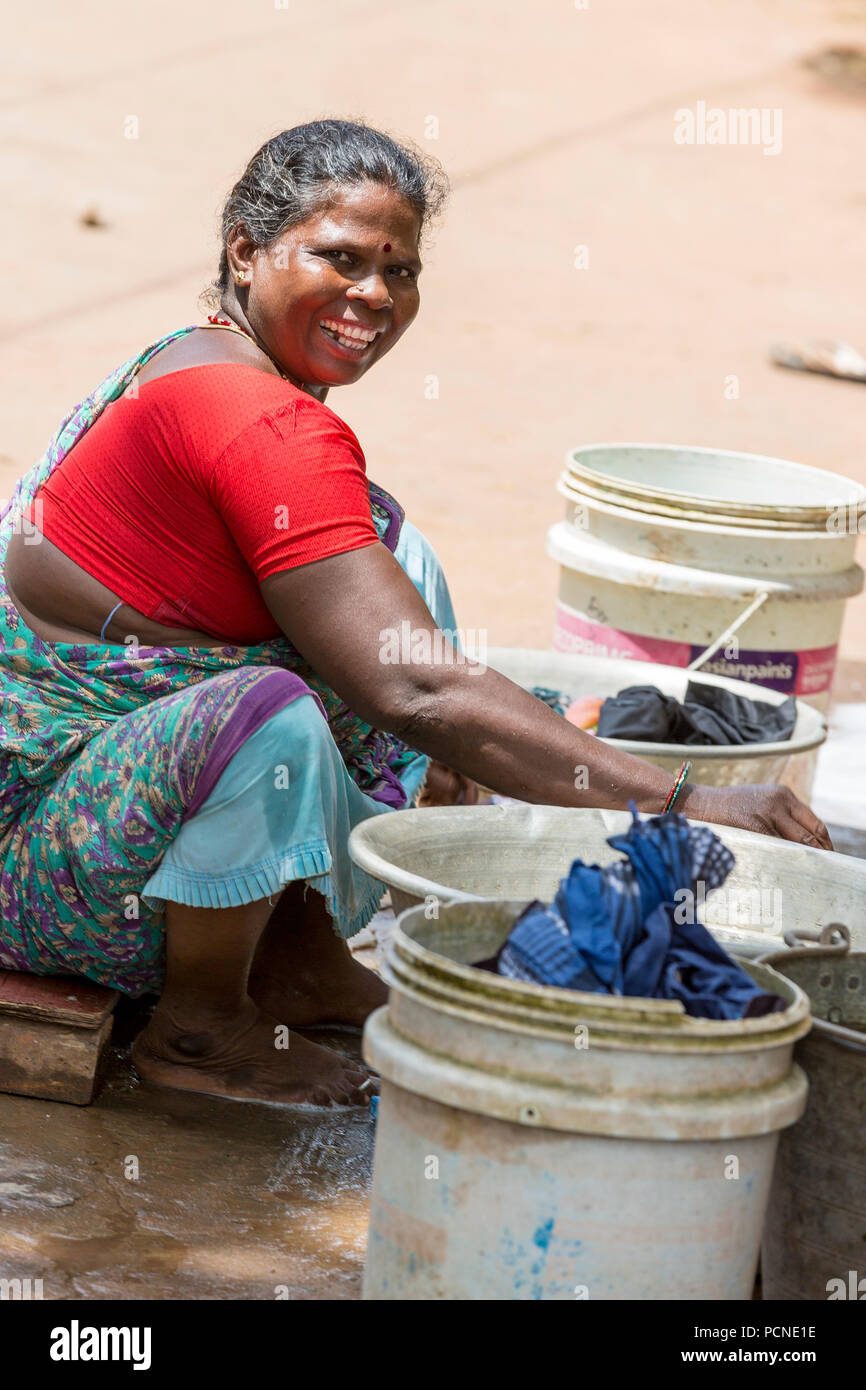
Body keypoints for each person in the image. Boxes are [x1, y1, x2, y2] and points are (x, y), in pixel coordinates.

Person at [0, 120, 832, 1108]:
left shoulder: (206, 360)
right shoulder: (251, 416)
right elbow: (417, 685)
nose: (373, 299)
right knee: (268, 714)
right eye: (339, 259)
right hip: (46, 866)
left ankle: (297, 955)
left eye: (399, 272)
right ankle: (200, 1023)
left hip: (93, 801)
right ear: (243, 252)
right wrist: (680, 801)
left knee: (389, 550)